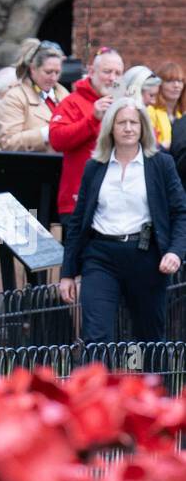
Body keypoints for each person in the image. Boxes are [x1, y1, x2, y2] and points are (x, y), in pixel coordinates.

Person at [60, 97, 186, 343]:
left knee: (149, 337)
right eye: (121, 123)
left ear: (142, 127)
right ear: (110, 128)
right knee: (97, 335)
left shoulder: (161, 164)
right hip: (100, 256)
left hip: (146, 256)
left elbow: (180, 212)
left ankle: (153, 381)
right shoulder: (95, 166)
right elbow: (77, 222)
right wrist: (68, 273)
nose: (128, 128)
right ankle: (94, 381)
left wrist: (175, 252)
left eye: (134, 122)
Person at [50, 48, 123, 222]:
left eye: (118, 73)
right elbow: (57, 139)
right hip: (79, 201)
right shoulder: (72, 102)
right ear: (91, 71)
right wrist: (92, 120)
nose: (113, 78)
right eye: (107, 72)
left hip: (119, 202)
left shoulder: (124, 104)